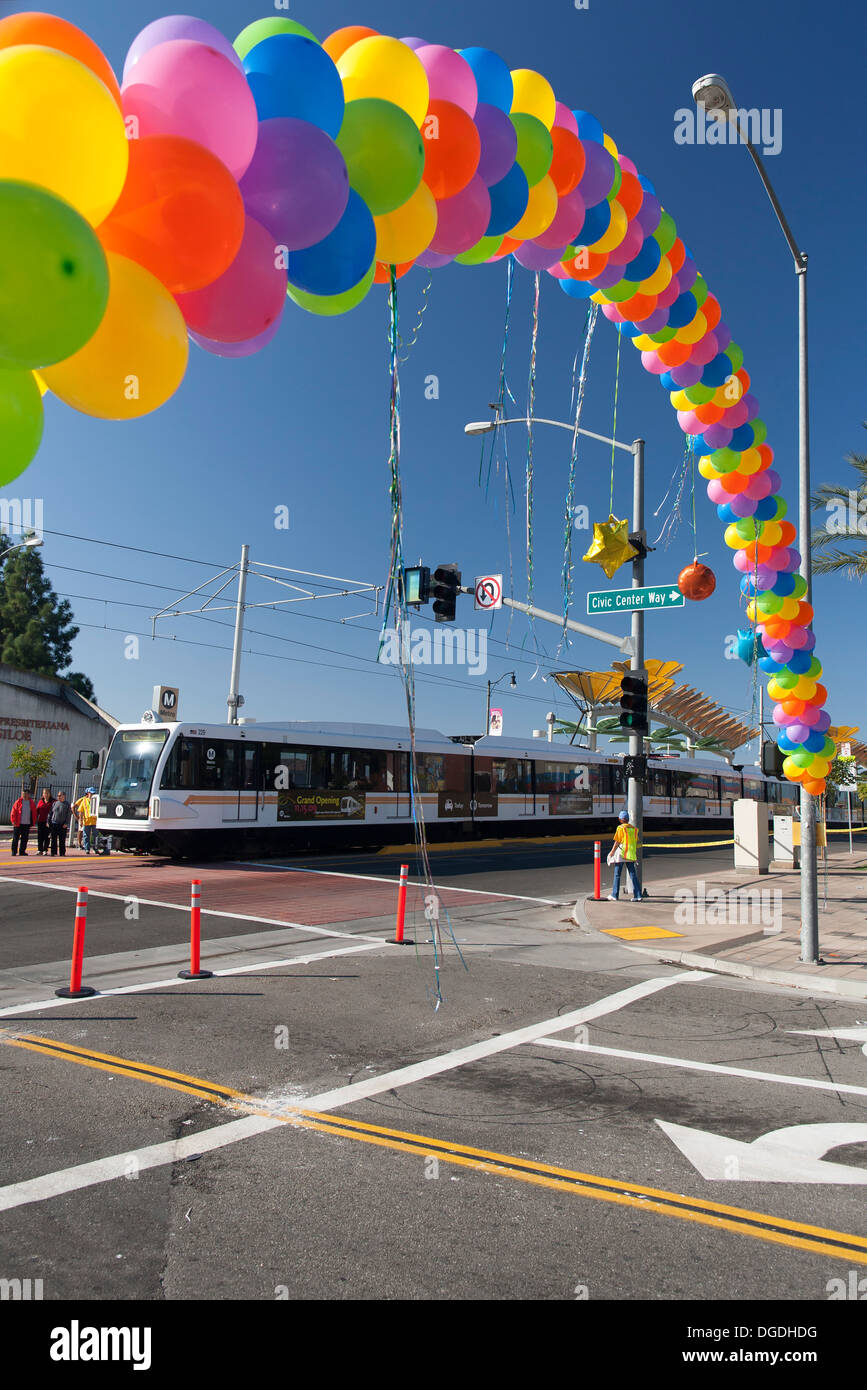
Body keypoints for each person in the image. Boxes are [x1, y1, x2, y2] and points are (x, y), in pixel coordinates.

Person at [607, 810, 642, 902]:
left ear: (621, 819)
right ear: (627, 819)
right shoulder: (634, 829)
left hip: (622, 853)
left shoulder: (620, 828)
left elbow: (617, 842)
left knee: (617, 874)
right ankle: (638, 895)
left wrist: (611, 852)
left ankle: (615, 895)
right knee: (633, 874)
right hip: (630, 854)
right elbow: (636, 842)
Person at [10, 788, 37, 856]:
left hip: (27, 824)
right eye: (23, 794)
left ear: (28, 795)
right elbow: (13, 812)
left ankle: (22, 851)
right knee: (15, 838)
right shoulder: (18, 802)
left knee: (24, 839)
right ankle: (14, 851)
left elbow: (34, 813)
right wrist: (13, 821)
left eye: (25, 794)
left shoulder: (31, 803)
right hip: (18, 824)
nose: (24, 795)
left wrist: (33, 822)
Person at [73, 786, 98, 854]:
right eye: (91, 793)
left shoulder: (96, 800)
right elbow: (81, 811)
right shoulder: (84, 801)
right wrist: (80, 820)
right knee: (86, 835)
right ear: (88, 793)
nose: (92, 795)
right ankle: (87, 849)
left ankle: (95, 848)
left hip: (94, 821)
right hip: (86, 821)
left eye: (93, 793)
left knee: (95, 835)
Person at [50, 792, 70, 856]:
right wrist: (50, 821)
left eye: (60, 795)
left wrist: (66, 823)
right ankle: (53, 852)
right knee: (53, 839)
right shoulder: (55, 803)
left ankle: (62, 852)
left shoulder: (67, 804)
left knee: (62, 839)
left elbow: (68, 815)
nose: (58, 797)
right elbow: (51, 812)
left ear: (64, 796)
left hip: (62, 825)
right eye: (58, 795)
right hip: (54, 823)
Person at [35, 788, 54, 855]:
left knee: (47, 836)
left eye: (47, 793)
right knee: (40, 836)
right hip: (41, 821)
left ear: (49, 794)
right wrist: (35, 819)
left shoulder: (53, 802)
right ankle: (39, 849)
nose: (45, 794)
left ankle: (45, 849)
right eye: (44, 793)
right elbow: (37, 811)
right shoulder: (40, 801)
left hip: (48, 822)